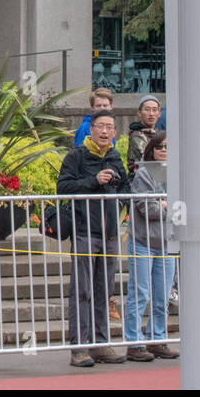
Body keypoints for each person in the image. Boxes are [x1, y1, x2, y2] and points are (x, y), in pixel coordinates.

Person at [58, 109, 128, 368]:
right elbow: (62, 187)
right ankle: (80, 347)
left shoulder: (114, 156)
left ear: (114, 132)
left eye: (109, 127)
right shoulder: (76, 156)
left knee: (104, 291)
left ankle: (101, 343)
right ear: (91, 129)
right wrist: (93, 180)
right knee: (83, 291)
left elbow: (126, 188)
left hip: (110, 234)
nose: (105, 131)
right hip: (85, 231)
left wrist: (119, 185)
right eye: (100, 126)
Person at [122, 133, 179, 361]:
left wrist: (165, 204)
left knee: (162, 295)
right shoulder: (143, 173)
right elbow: (148, 210)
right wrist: (167, 205)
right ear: (151, 150)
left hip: (167, 242)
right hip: (143, 241)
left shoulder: (178, 174)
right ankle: (134, 343)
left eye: (168, 146)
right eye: (160, 147)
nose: (164, 150)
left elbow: (182, 210)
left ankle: (158, 339)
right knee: (140, 293)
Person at [126, 96, 161, 177]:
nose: (151, 113)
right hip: (140, 180)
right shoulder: (136, 136)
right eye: (147, 109)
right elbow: (150, 158)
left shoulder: (159, 134)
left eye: (154, 110)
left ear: (159, 114)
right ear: (139, 113)